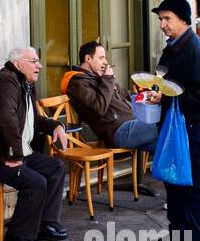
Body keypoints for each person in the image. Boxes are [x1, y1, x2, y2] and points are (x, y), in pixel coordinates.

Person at [0, 47, 69, 241]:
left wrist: (55, 126)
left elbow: (34, 120)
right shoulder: (6, 82)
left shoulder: (25, 85)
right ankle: (18, 235)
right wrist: (15, 154)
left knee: (55, 167)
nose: (39, 66)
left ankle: (46, 224)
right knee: (35, 182)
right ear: (18, 63)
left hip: (15, 154)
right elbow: (7, 120)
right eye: (34, 61)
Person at [152, 0, 200, 241]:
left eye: (167, 19)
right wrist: (155, 91)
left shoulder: (197, 50)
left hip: (190, 125)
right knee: (172, 180)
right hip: (171, 123)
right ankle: (177, 234)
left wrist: (165, 98)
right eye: (160, 19)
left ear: (183, 19)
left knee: (192, 183)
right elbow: (164, 80)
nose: (163, 24)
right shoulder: (172, 47)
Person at [65, 40, 162, 170]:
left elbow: (126, 95)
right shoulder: (78, 84)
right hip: (118, 132)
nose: (105, 62)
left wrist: (147, 96)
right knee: (166, 121)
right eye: (101, 58)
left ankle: (180, 184)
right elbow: (98, 109)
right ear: (88, 58)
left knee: (171, 142)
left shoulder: (99, 77)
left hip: (133, 124)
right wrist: (108, 80)